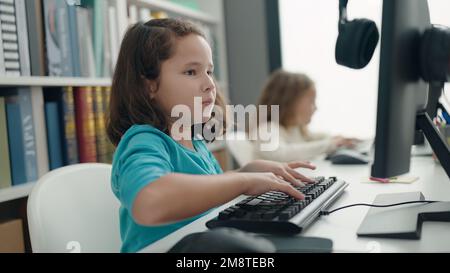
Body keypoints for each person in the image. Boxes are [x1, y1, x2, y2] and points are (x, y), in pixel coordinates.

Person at [106, 19, 316, 253]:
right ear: (149, 86)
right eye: (191, 71)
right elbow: (148, 201)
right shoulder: (145, 140)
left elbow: (206, 190)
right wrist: (241, 182)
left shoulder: (194, 141)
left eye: (209, 71)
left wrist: (245, 172)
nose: (209, 84)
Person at [252, 69, 358, 162]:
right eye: (311, 102)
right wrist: (329, 144)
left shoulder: (295, 130)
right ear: (289, 102)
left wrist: (335, 139)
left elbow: (316, 137)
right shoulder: (266, 129)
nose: (315, 108)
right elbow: (282, 154)